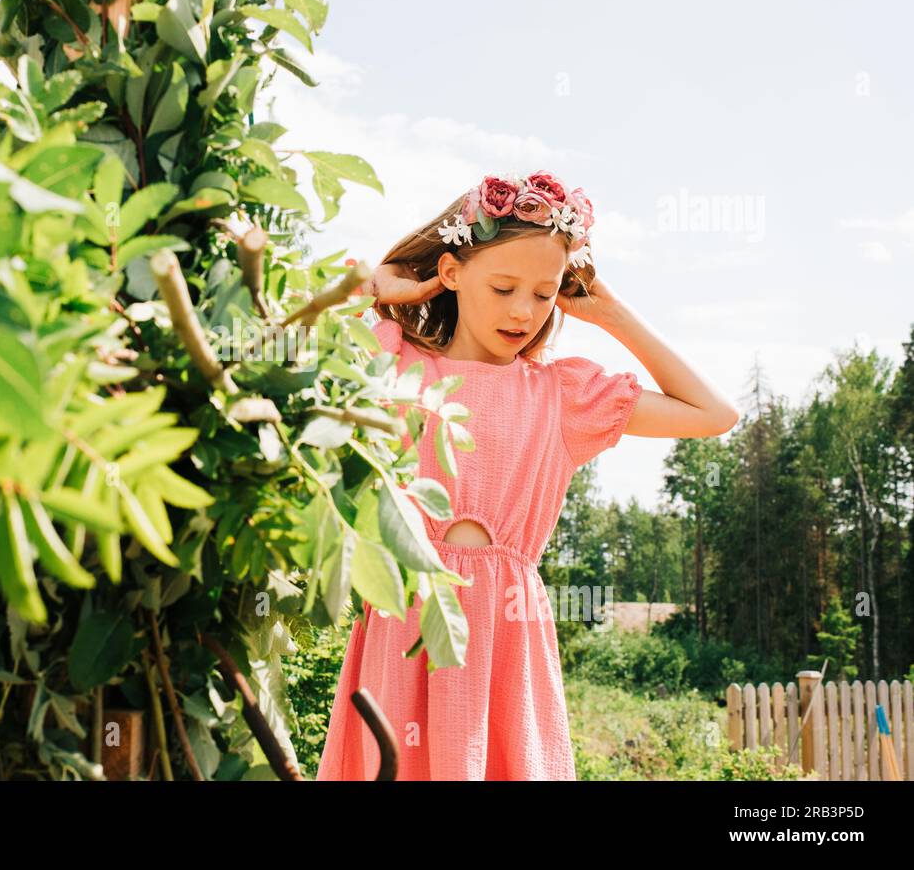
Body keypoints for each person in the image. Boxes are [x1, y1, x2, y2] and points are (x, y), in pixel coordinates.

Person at [316, 172, 739, 780]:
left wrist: (614, 315)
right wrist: (375, 286)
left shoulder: (560, 395)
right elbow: (285, 350)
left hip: (505, 631)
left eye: (543, 294)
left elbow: (713, 414)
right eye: (503, 286)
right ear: (452, 272)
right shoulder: (394, 365)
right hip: (406, 619)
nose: (523, 311)